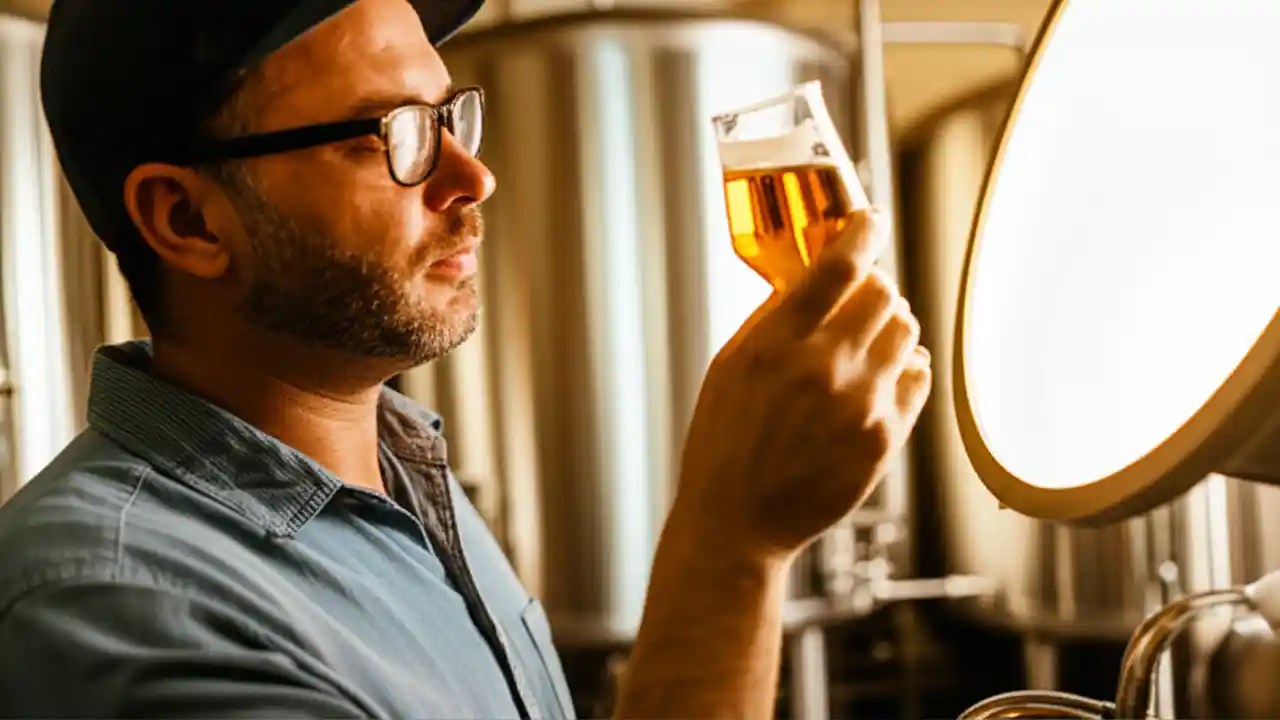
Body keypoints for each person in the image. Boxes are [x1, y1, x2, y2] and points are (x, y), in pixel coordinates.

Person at [0, 0, 931, 717]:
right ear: (189, 218)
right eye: (395, 134)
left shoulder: (400, 479)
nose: (470, 175)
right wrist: (734, 544)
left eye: (447, 115)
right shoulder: (115, 610)